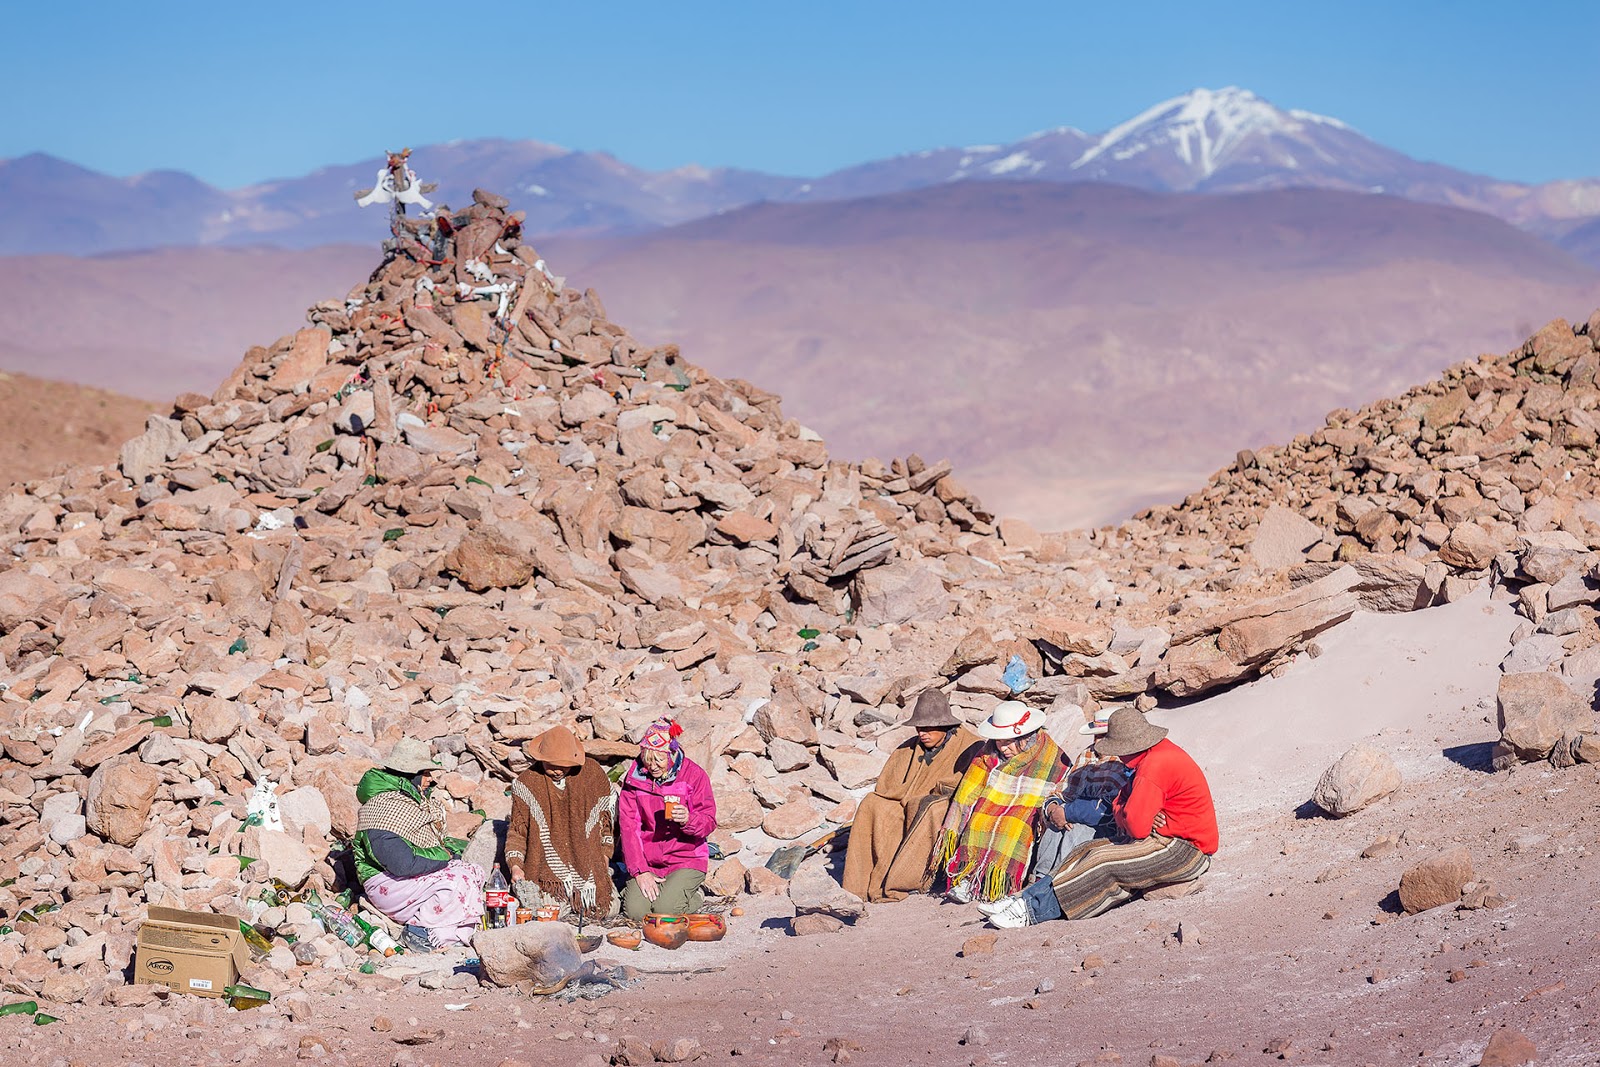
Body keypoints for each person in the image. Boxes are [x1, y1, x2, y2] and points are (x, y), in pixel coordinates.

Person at [980, 708, 1218, 928]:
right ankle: (1024, 898)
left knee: (1102, 862)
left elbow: (1136, 827)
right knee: (1085, 852)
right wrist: (1126, 808)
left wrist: (1126, 810)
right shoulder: (1154, 755)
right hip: (1166, 839)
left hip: (1186, 850)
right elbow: (1124, 804)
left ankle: (1031, 911)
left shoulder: (1153, 766)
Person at [353, 738, 496, 951]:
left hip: (405, 880)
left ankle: (447, 933)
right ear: (411, 775)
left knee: (471, 871)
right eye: (426, 773)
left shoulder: (409, 804)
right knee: (456, 881)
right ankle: (419, 931)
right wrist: (445, 855)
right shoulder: (383, 808)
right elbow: (401, 863)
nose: (431, 779)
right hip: (385, 883)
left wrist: (451, 854)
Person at [842, 689, 983, 902]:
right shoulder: (909, 748)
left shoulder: (971, 746)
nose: (921, 733)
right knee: (872, 804)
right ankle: (857, 886)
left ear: (944, 725)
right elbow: (888, 785)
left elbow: (969, 784)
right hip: (905, 800)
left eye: (928, 728)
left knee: (928, 807)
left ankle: (905, 880)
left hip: (941, 803)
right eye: (919, 728)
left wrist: (932, 791)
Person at [933, 700, 1068, 904]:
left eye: (1007, 742)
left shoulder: (1049, 754)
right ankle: (968, 877)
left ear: (1024, 737)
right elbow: (970, 788)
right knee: (978, 820)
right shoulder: (988, 752)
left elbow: (1054, 786)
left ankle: (998, 883)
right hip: (994, 800)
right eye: (999, 741)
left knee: (1014, 828)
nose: (1002, 748)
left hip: (1027, 806)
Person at [506, 725, 618, 918]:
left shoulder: (592, 774)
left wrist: (604, 858)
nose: (557, 770)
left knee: (607, 911)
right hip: (546, 872)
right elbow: (518, 831)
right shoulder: (527, 784)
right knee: (547, 913)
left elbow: (606, 822)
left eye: (564, 765)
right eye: (551, 765)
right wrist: (516, 866)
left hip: (589, 864)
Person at [617, 719, 718, 920]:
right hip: (649, 860)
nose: (652, 766)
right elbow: (629, 828)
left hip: (686, 858)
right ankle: (664, 893)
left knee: (666, 911)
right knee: (636, 913)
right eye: (647, 759)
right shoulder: (635, 779)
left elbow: (709, 821)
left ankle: (694, 896)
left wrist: (689, 819)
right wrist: (640, 871)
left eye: (658, 761)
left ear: (671, 755)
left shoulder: (694, 775)